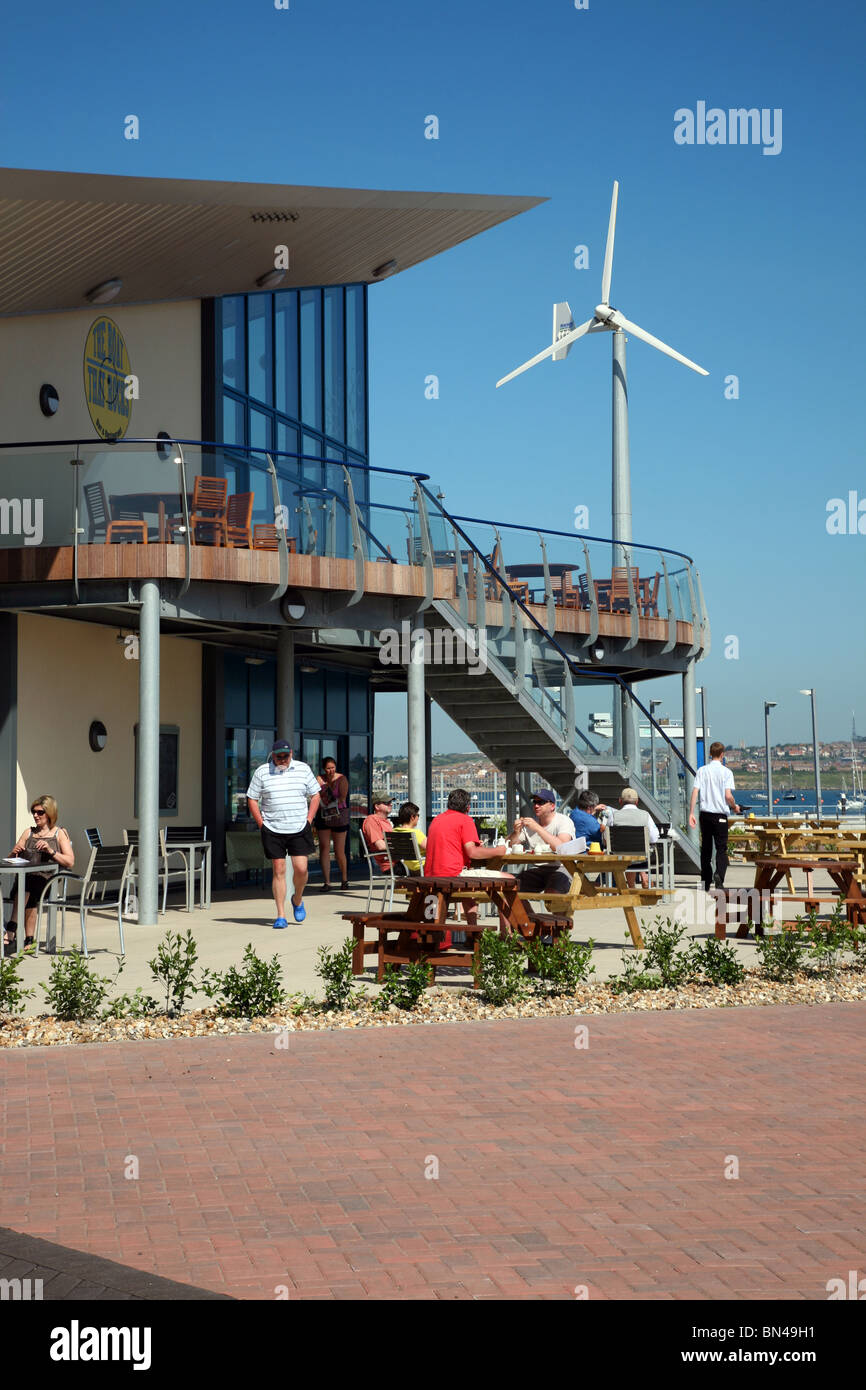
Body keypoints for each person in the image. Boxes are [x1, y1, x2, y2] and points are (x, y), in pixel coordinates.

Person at [246, 739, 320, 927]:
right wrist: (262, 824)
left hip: (298, 827)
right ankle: (281, 915)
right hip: (273, 828)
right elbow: (252, 798)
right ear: (272, 755)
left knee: (301, 869)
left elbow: (316, 795)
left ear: (291, 754)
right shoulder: (262, 771)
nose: (282, 760)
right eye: (278, 756)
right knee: (278, 869)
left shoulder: (303, 769)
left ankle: (297, 899)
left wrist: (309, 820)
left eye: (285, 756)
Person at [424, 788, 509, 934]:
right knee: (508, 882)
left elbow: (452, 846)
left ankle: (474, 935)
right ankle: (506, 935)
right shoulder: (465, 820)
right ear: (468, 807)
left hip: (432, 875)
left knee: (468, 894)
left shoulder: (437, 820)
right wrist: (499, 850)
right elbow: (473, 852)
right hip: (453, 875)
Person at [4, 796, 74, 955]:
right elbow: (12, 859)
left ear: (49, 813)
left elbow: (70, 861)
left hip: (49, 882)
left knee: (29, 885)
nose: (35, 815)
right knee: (28, 885)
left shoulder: (59, 833)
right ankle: (29, 940)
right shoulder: (28, 832)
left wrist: (51, 851)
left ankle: (11, 929)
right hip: (26, 880)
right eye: (33, 812)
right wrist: (14, 853)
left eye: (40, 812)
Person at [688, 741, 741, 891]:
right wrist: (734, 806)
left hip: (705, 814)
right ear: (722, 754)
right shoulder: (727, 772)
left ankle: (705, 880)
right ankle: (719, 876)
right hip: (720, 815)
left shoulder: (702, 770)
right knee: (721, 849)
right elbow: (728, 795)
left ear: (710, 754)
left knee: (706, 848)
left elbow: (695, 792)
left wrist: (691, 812)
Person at [508, 789, 575, 896]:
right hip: (537, 869)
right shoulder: (531, 823)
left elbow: (562, 847)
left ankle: (555, 913)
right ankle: (528, 914)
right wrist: (516, 832)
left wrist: (538, 828)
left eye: (541, 802)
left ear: (552, 806)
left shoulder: (564, 821)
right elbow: (509, 846)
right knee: (511, 891)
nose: (536, 805)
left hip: (562, 868)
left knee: (553, 895)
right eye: (535, 802)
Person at [608, 787, 660, 888]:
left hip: (619, 859)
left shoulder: (614, 816)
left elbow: (606, 840)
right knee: (637, 852)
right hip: (641, 859)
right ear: (637, 802)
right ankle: (643, 878)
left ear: (620, 801)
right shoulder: (645, 815)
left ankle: (631, 887)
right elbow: (654, 838)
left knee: (627, 853)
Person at [315, 757, 350, 893]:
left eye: (333, 768)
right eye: (328, 768)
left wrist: (330, 801)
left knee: (339, 850)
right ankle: (327, 882)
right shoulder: (320, 779)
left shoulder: (342, 779)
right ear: (324, 769)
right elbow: (316, 794)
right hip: (323, 815)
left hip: (338, 814)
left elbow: (342, 797)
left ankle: (344, 879)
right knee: (324, 848)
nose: (331, 771)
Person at [390, 801, 427, 875]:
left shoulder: (394, 832)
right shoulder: (416, 833)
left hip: (407, 868)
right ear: (412, 817)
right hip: (421, 867)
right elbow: (432, 848)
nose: (418, 818)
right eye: (418, 815)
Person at [361, 793, 393, 871]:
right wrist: (401, 846)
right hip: (387, 864)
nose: (390, 804)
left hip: (396, 860)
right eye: (386, 803)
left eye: (390, 802)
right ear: (377, 806)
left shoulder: (387, 822)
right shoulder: (371, 820)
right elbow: (380, 846)